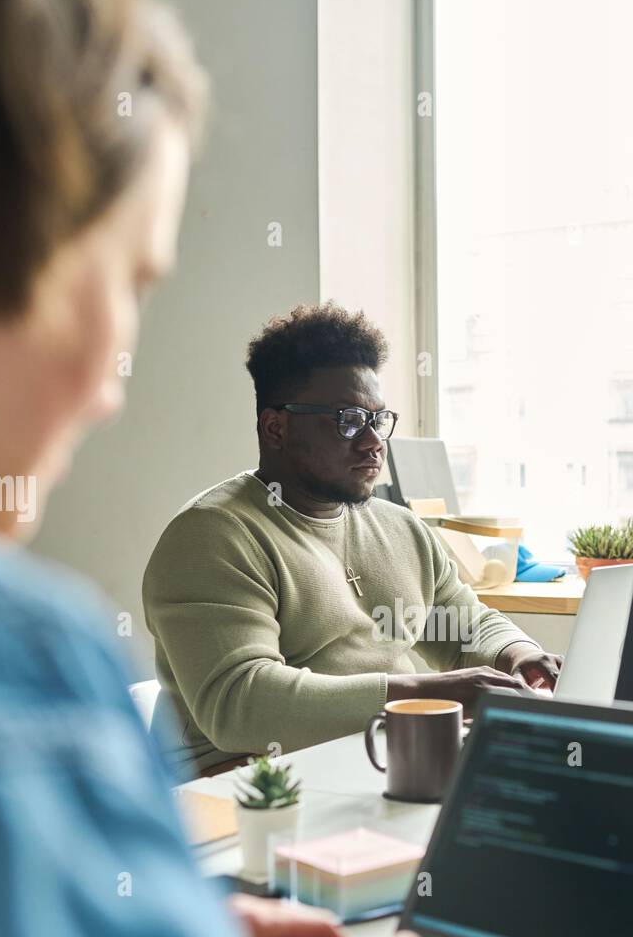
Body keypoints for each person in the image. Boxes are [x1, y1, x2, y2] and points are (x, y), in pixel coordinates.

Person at [0, 0, 507, 937]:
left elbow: (467, 614)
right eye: (126, 278)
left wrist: (498, 656)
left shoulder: (395, 524)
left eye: (382, 419)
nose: (112, 389)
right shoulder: (45, 652)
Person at [142, 303, 561, 772]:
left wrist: (519, 657)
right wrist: (425, 694)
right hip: (243, 786)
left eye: (377, 420)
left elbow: (467, 628)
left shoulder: (399, 527)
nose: (372, 441)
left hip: (375, 762)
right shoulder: (213, 536)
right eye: (347, 419)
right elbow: (243, 705)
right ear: (275, 427)